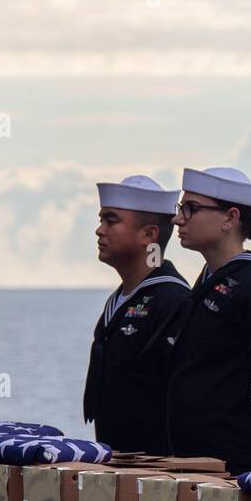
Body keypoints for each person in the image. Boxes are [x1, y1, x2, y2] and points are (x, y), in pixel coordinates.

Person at [154, 166, 251, 472]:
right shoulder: (209, 279)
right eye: (181, 209)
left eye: (191, 209)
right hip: (197, 459)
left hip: (232, 463)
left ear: (231, 218)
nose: (178, 219)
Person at [82, 175, 189, 454]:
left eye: (111, 220)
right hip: (119, 457)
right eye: (101, 219)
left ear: (149, 235)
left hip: (154, 467)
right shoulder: (121, 298)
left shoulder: (173, 301)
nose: (99, 230)